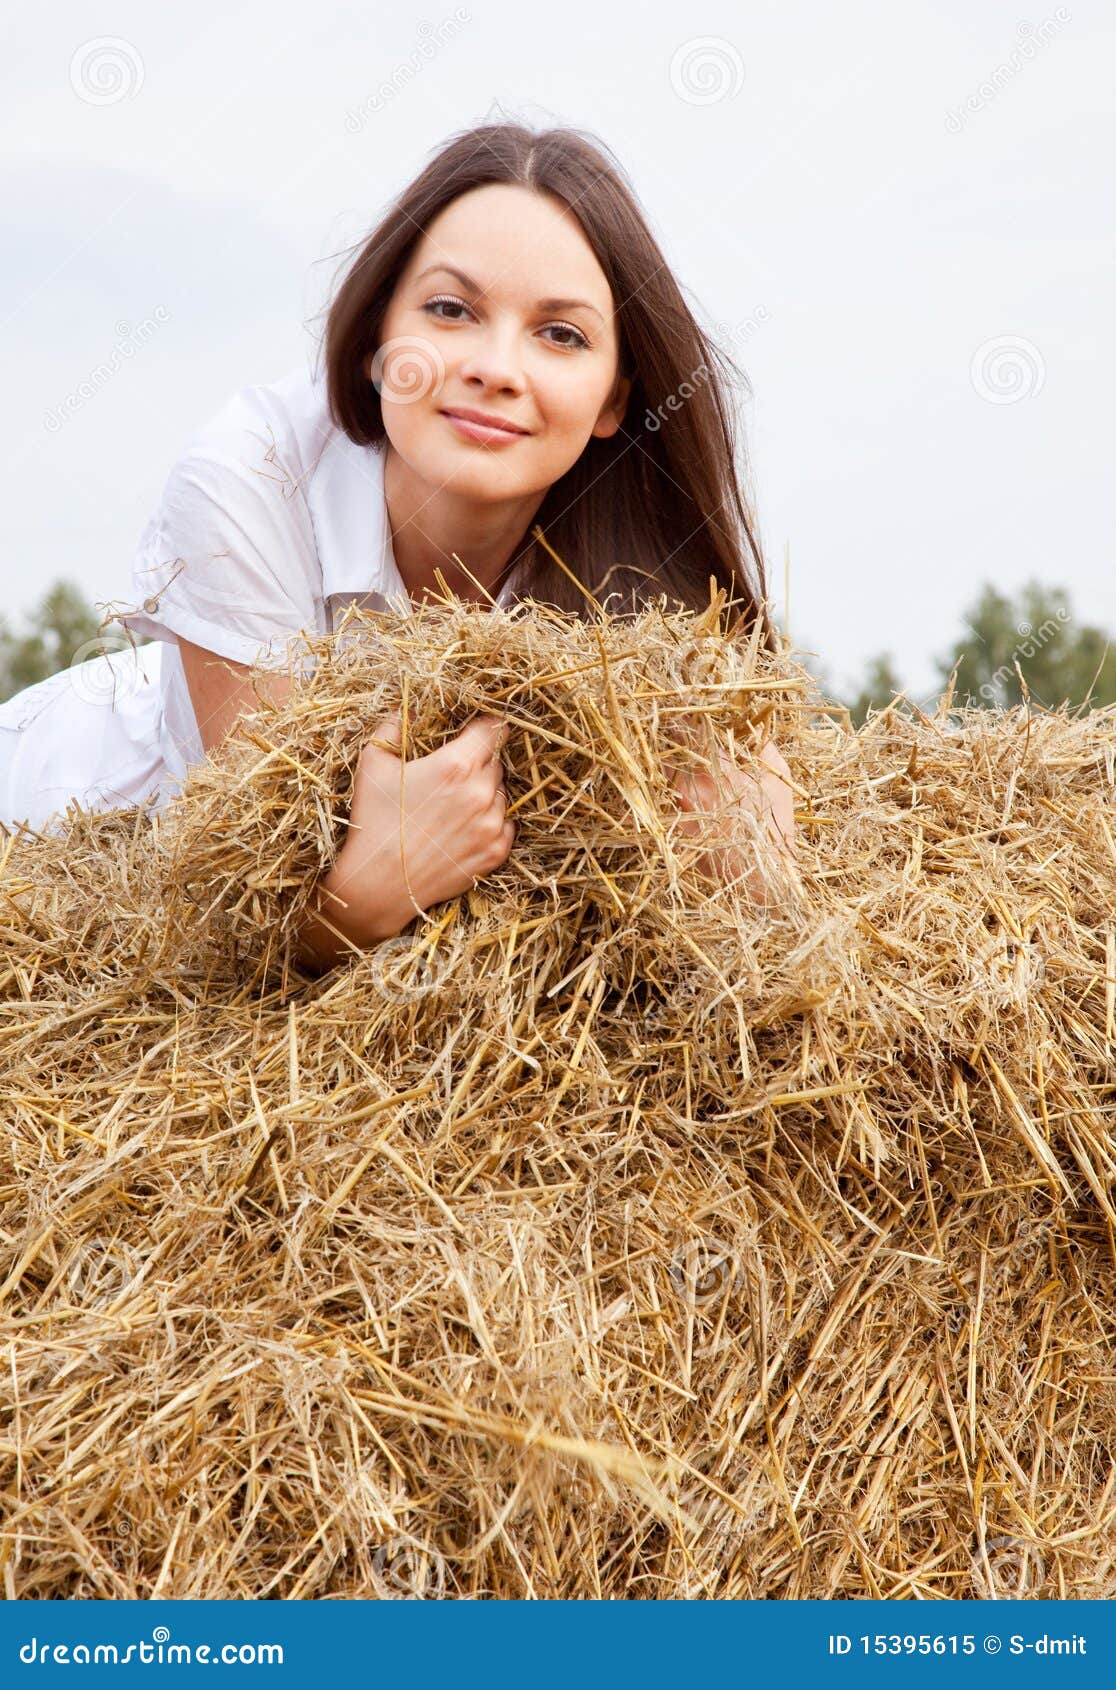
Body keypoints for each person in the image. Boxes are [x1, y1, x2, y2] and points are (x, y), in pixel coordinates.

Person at [0, 120, 795, 971]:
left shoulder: (636, 584)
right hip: (51, 839)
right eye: (451, 310)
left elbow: (751, 901)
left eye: (561, 335)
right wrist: (374, 887)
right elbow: (247, 920)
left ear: (613, 401)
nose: (496, 366)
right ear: (380, 341)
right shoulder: (246, 479)